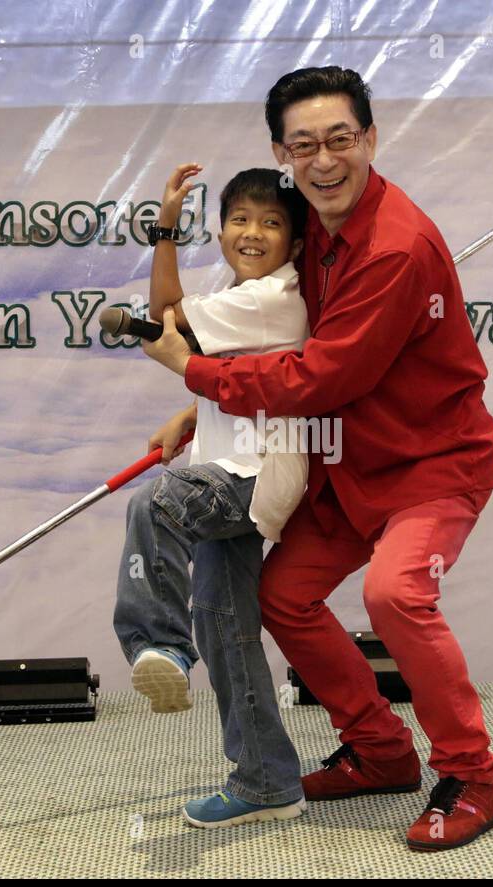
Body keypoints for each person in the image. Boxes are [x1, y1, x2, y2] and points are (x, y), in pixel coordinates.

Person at [143, 66, 493, 851]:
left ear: (370, 138)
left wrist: (197, 373)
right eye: (304, 144)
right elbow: (285, 340)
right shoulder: (308, 224)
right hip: (347, 462)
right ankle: (379, 751)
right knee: (284, 594)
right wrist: (202, 409)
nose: (325, 158)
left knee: (396, 594)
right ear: (282, 151)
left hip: (431, 464)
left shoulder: (396, 246)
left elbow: (322, 374)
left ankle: (472, 773)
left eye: (341, 139)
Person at [113, 164, 311, 828]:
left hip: (250, 479)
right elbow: (235, 375)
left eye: (272, 222)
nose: (252, 232)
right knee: (228, 633)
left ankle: (159, 643)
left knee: (156, 503)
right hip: (233, 465)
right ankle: (267, 781)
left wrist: (164, 228)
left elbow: (168, 321)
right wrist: (193, 415)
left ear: (294, 241)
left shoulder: (272, 298)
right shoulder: (243, 293)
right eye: (240, 219)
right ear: (222, 227)